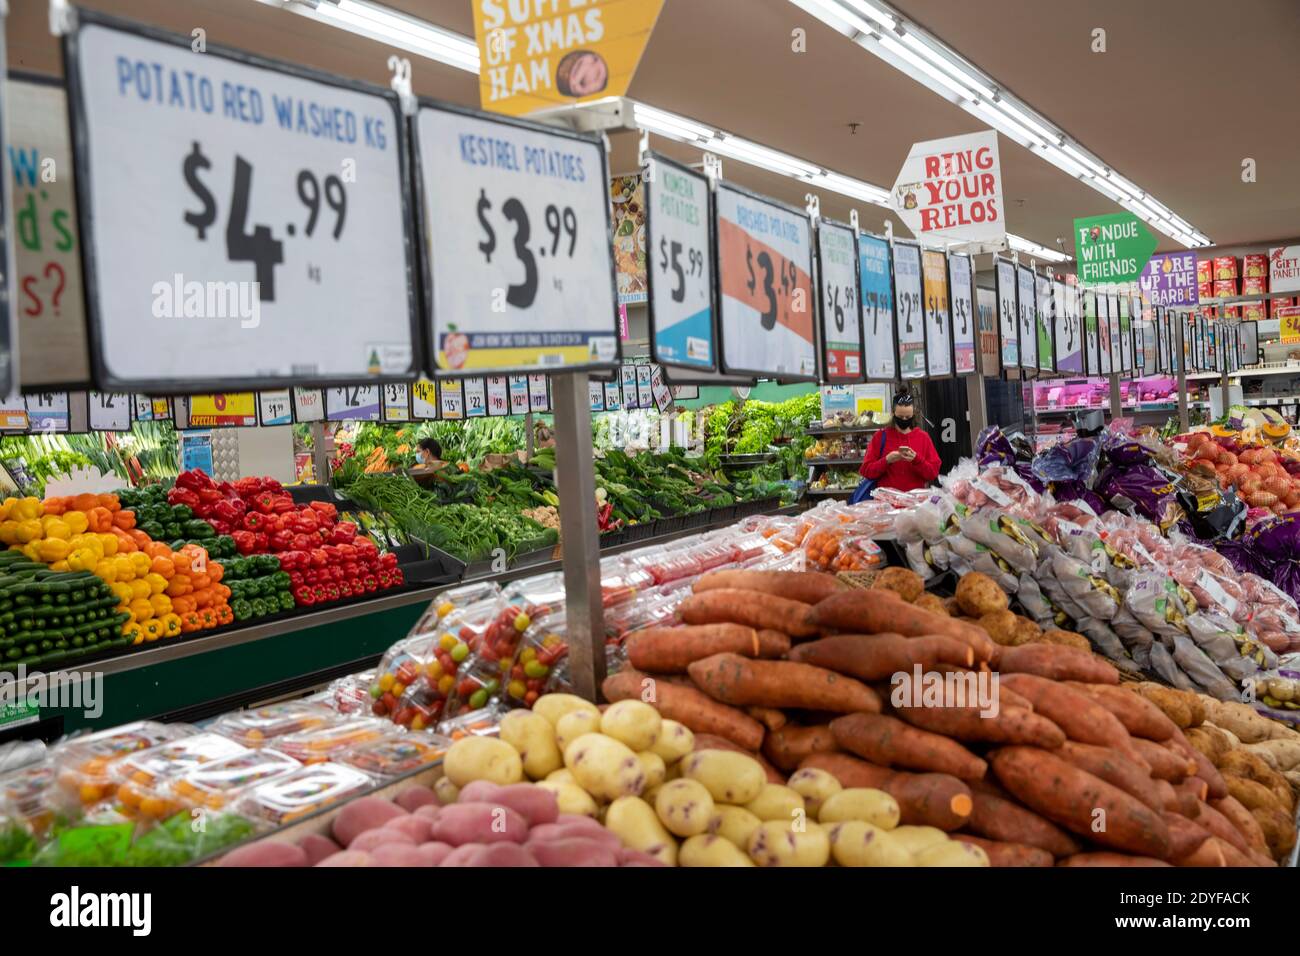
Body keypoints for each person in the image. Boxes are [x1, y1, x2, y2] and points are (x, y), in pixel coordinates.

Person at [857, 392, 941, 493]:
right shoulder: (880, 437)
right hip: (886, 504)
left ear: (913, 414)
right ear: (893, 413)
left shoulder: (923, 437)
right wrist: (886, 460)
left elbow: (933, 473)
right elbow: (866, 471)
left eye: (908, 417)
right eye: (900, 417)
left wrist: (917, 460)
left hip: (915, 504)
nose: (904, 420)